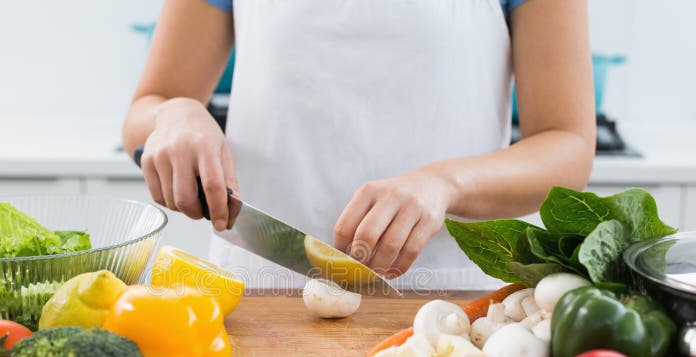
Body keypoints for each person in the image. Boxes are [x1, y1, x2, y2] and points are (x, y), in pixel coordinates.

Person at [123, 0, 595, 290]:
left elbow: (567, 143)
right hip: (259, 292)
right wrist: (174, 114)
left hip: (451, 302)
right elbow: (148, 107)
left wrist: (445, 184)